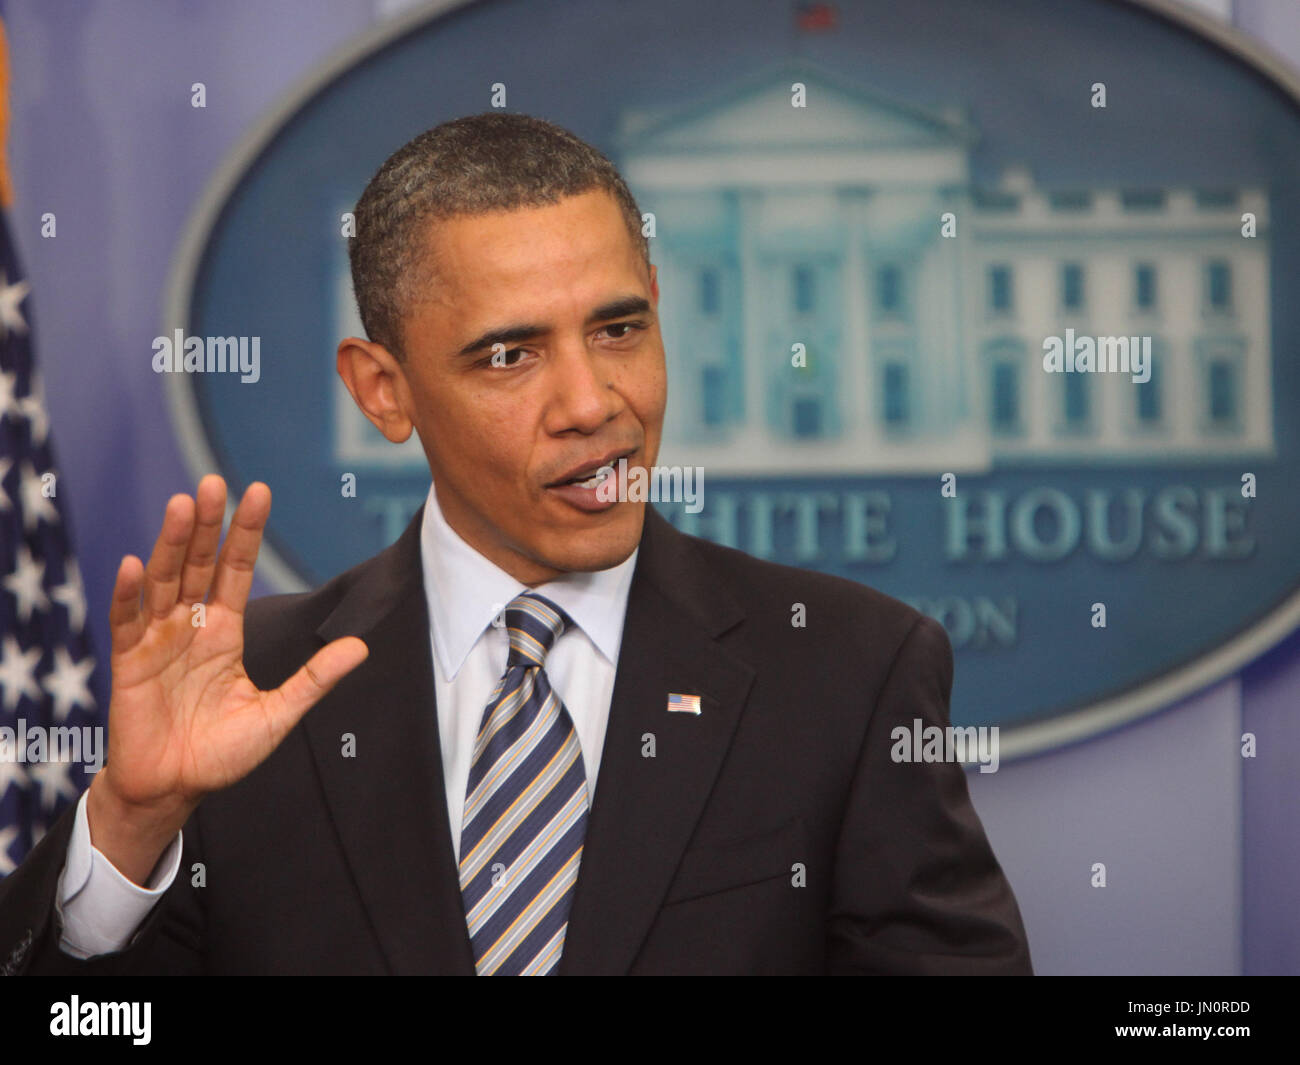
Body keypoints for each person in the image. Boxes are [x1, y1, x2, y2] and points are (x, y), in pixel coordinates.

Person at [0, 112, 1031, 975]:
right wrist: (131, 826)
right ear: (384, 391)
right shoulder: (251, 692)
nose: (593, 402)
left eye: (619, 330)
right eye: (509, 355)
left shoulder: (847, 670)